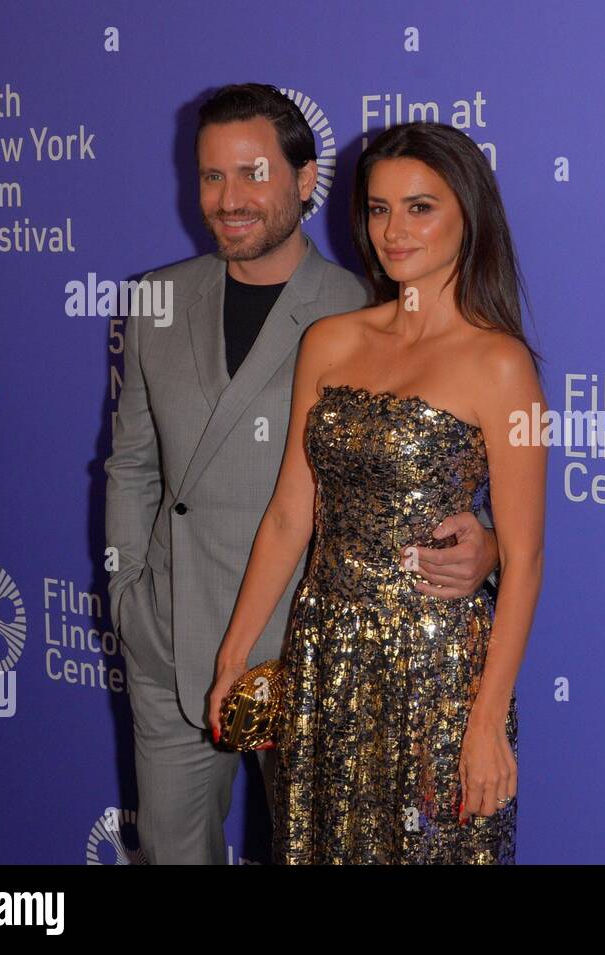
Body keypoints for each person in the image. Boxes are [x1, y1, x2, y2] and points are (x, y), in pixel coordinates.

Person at [104, 86, 501, 866]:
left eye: (252, 174)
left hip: (319, 655)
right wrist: (130, 595)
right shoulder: (155, 299)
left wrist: (484, 545)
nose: (230, 199)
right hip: (171, 638)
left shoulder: (366, 306)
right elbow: (131, 463)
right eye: (211, 176)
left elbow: (433, 466)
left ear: (305, 179)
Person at [205, 121, 547, 864]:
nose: (394, 230)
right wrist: (234, 656)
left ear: (468, 214)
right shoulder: (330, 341)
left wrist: (486, 718)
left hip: (438, 675)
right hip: (324, 661)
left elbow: (522, 559)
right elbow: (291, 515)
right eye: (379, 208)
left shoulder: (503, 366)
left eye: (420, 207)